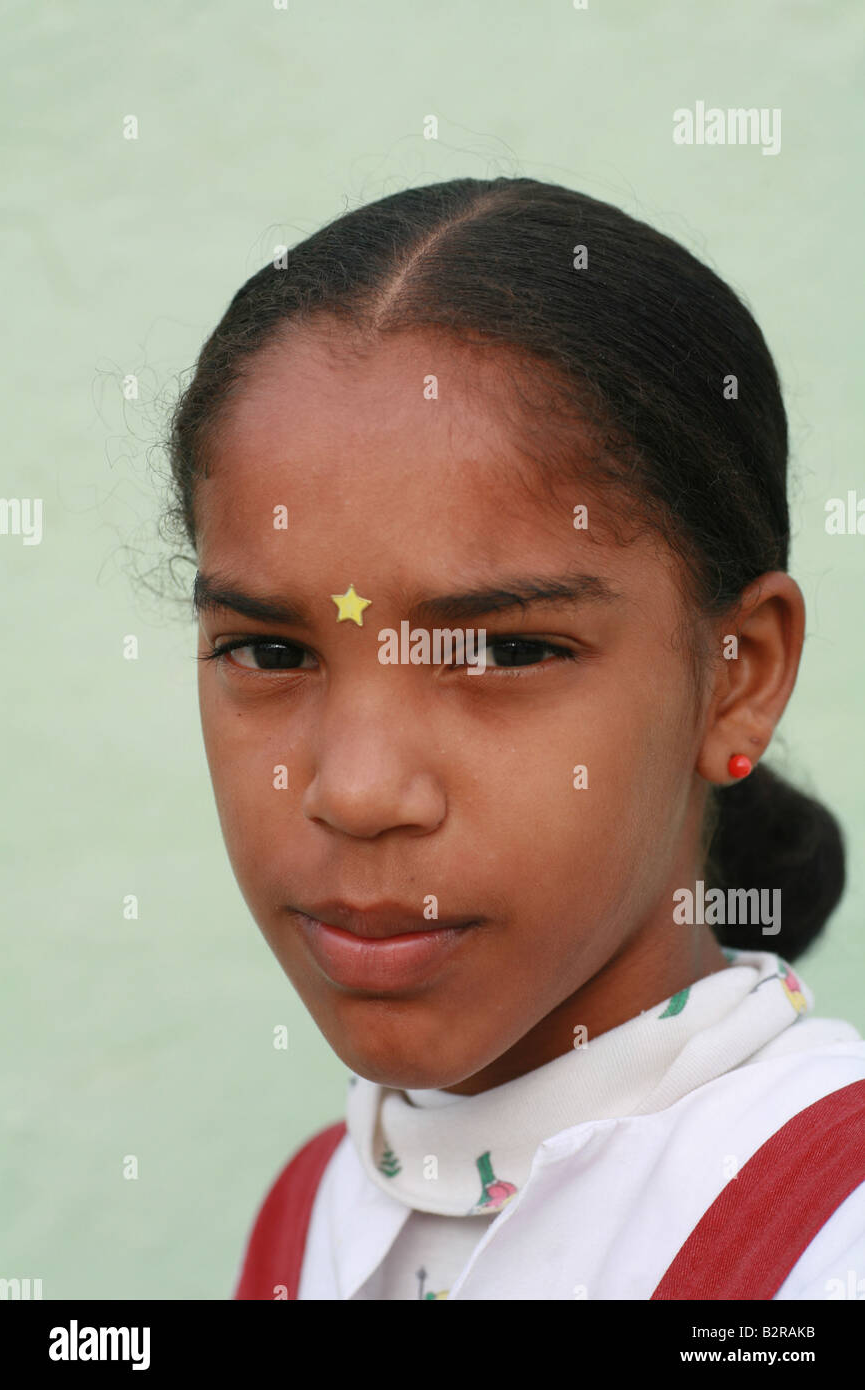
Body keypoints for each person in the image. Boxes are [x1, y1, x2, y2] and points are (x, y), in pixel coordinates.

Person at [164, 176, 865, 1300]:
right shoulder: (313, 1217)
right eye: (271, 651)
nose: (356, 789)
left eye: (499, 651)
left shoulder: (823, 1232)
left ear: (738, 677)